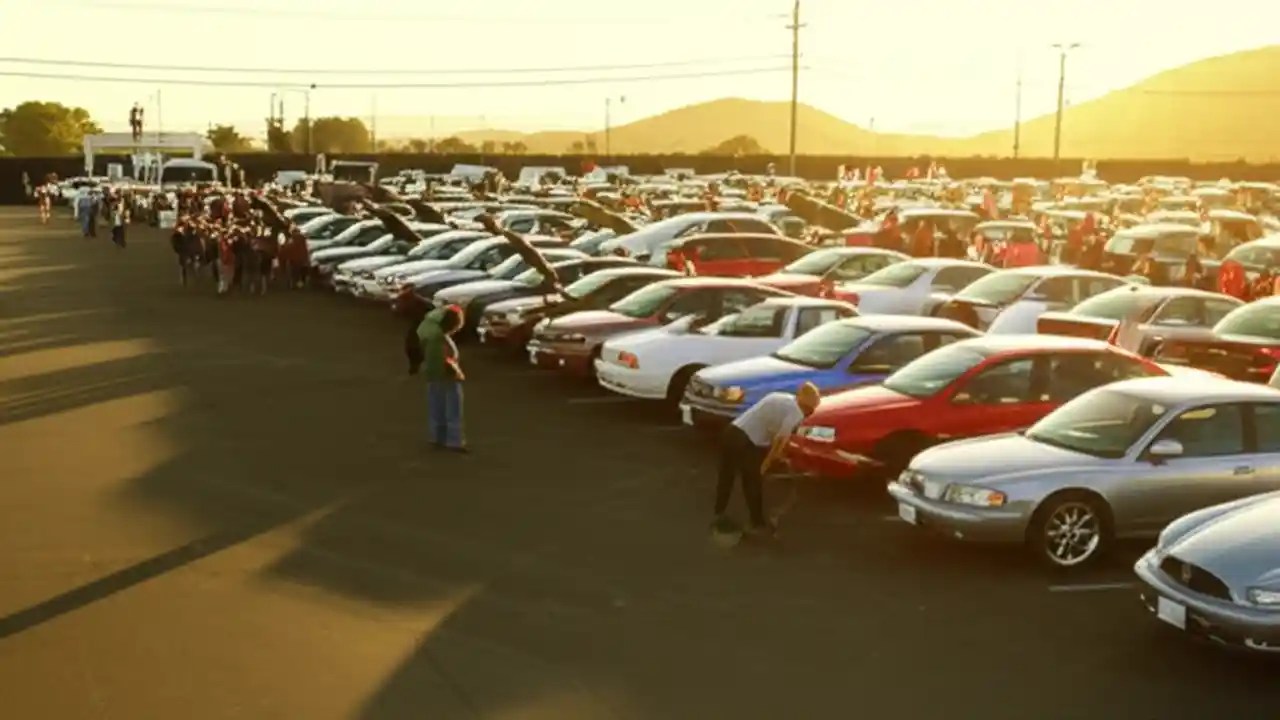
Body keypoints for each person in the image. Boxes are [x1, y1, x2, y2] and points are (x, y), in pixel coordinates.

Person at [713, 383, 821, 537]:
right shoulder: (796, 412)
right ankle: (757, 523)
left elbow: (775, 425)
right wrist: (766, 464)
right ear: (806, 405)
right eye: (811, 409)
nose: (810, 413)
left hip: (732, 431)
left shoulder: (779, 397)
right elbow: (779, 440)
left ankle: (719, 512)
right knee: (752, 482)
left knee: (726, 476)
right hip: (748, 441)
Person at [415, 304, 467, 452]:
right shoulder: (441, 340)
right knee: (453, 408)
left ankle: (437, 436)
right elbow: (447, 359)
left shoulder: (430, 334)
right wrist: (458, 373)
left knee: (436, 406)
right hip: (447, 376)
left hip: (432, 374)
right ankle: (454, 441)